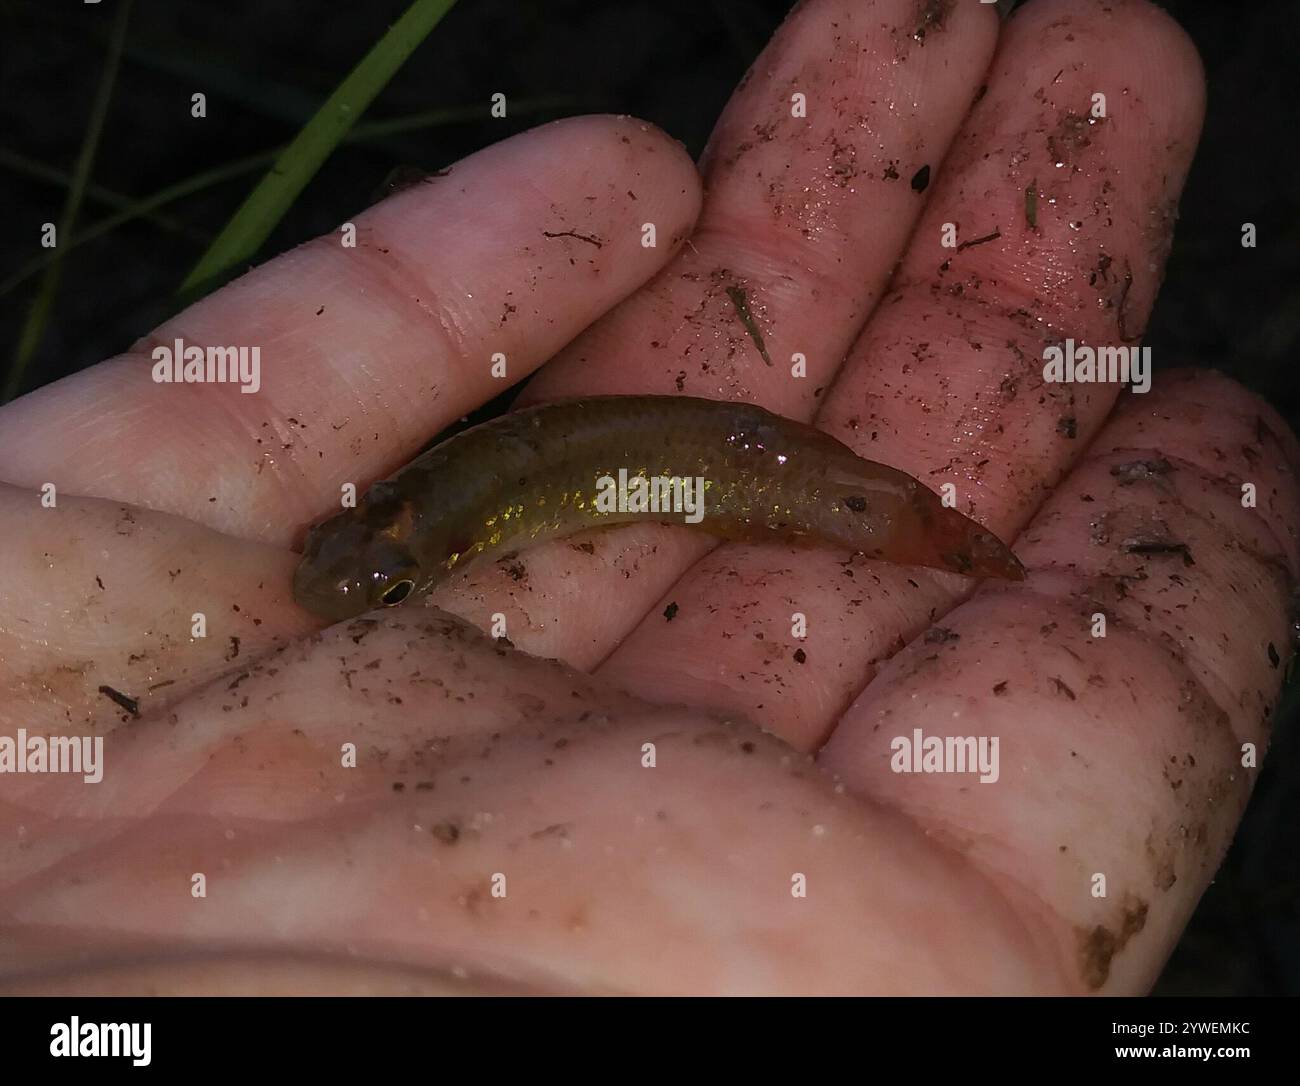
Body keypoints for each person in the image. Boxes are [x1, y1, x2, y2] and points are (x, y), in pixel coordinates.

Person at [0, 0, 1293, 994]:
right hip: (675, 459)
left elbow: (622, 479)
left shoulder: (480, 514)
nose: (367, 577)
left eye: (386, 573)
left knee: (794, 490)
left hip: (709, 457)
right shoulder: (459, 514)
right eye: (373, 564)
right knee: (772, 487)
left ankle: (923, 529)